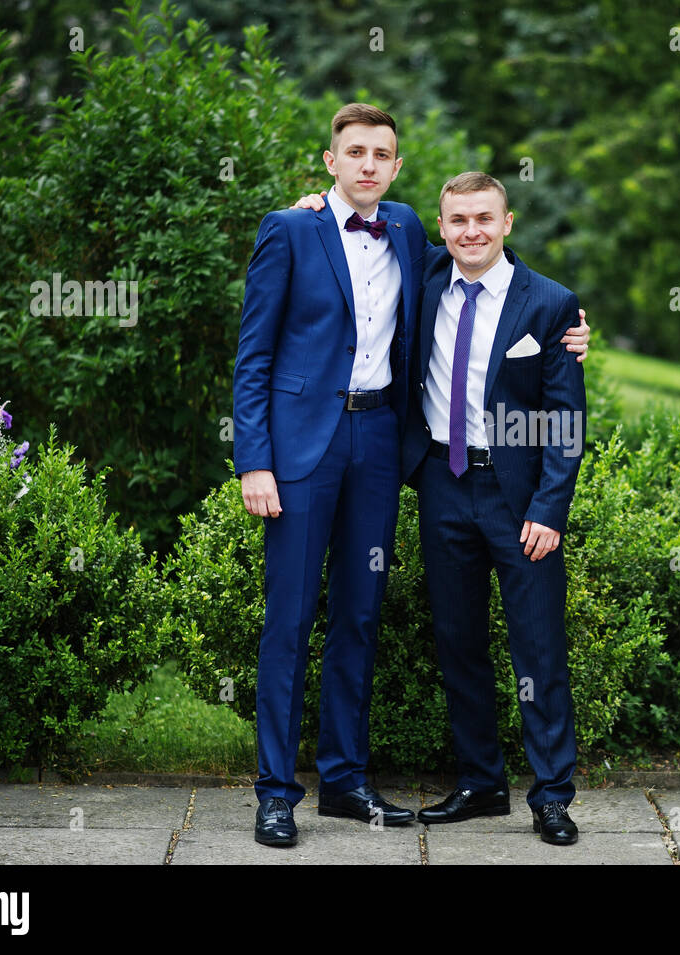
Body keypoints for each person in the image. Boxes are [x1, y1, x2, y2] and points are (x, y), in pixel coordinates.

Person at [233, 104, 589, 848]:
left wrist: (573, 335)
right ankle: (275, 792)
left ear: (396, 168)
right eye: (354, 151)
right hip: (305, 451)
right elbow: (255, 356)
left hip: (382, 452)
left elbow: (523, 308)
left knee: (360, 617)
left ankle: (344, 779)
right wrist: (254, 458)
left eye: (382, 154)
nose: (367, 163)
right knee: (291, 622)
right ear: (330, 161)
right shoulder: (291, 230)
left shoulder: (406, 232)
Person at [402, 172, 586, 845]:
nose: (471, 232)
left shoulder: (550, 305)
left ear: (508, 222)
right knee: (459, 642)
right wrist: (312, 202)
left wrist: (549, 508)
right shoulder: (425, 281)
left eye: (484, 218)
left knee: (538, 648)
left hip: (520, 501)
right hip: (444, 483)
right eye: (458, 221)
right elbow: (363, 224)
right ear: (442, 227)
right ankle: (481, 782)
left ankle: (553, 795)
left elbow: (566, 422)